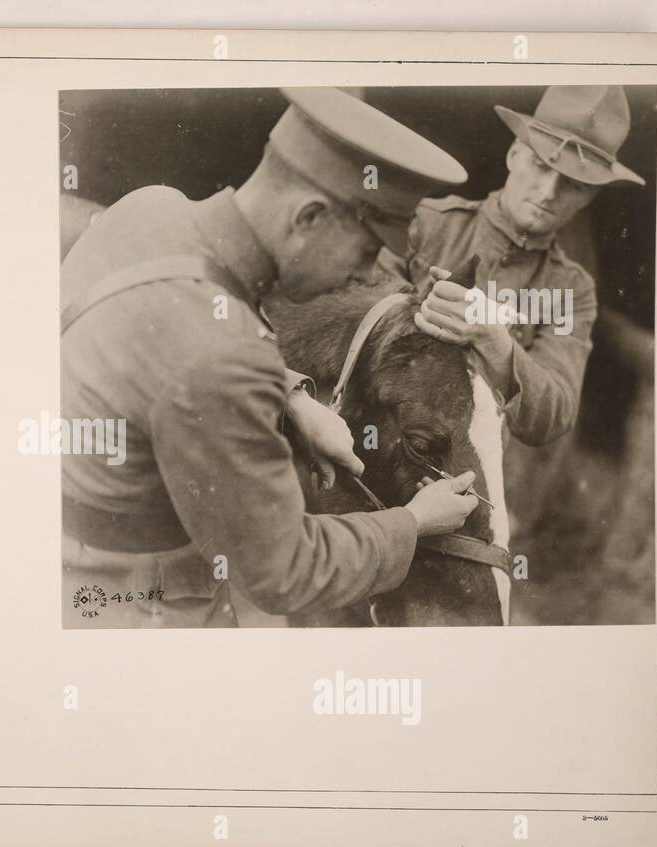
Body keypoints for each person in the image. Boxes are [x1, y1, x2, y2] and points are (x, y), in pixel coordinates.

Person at [61, 87, 479, 629]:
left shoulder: (151, 208)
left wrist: (292, 396)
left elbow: (162, 338)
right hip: (133, 609)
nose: (367, 273)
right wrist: (414, 522)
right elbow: (283, 572)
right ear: (307, 217)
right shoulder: (226, 358)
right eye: (366, 249)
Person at [389, 85, 646, 446]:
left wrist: (496, 341)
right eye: (540, 165)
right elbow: (355, 324)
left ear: (590, 197)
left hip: (471, 472)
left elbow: (554, 416)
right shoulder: (427, 225)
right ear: (513, 155)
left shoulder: (571, 290)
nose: (548, 192)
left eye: (572, 185)